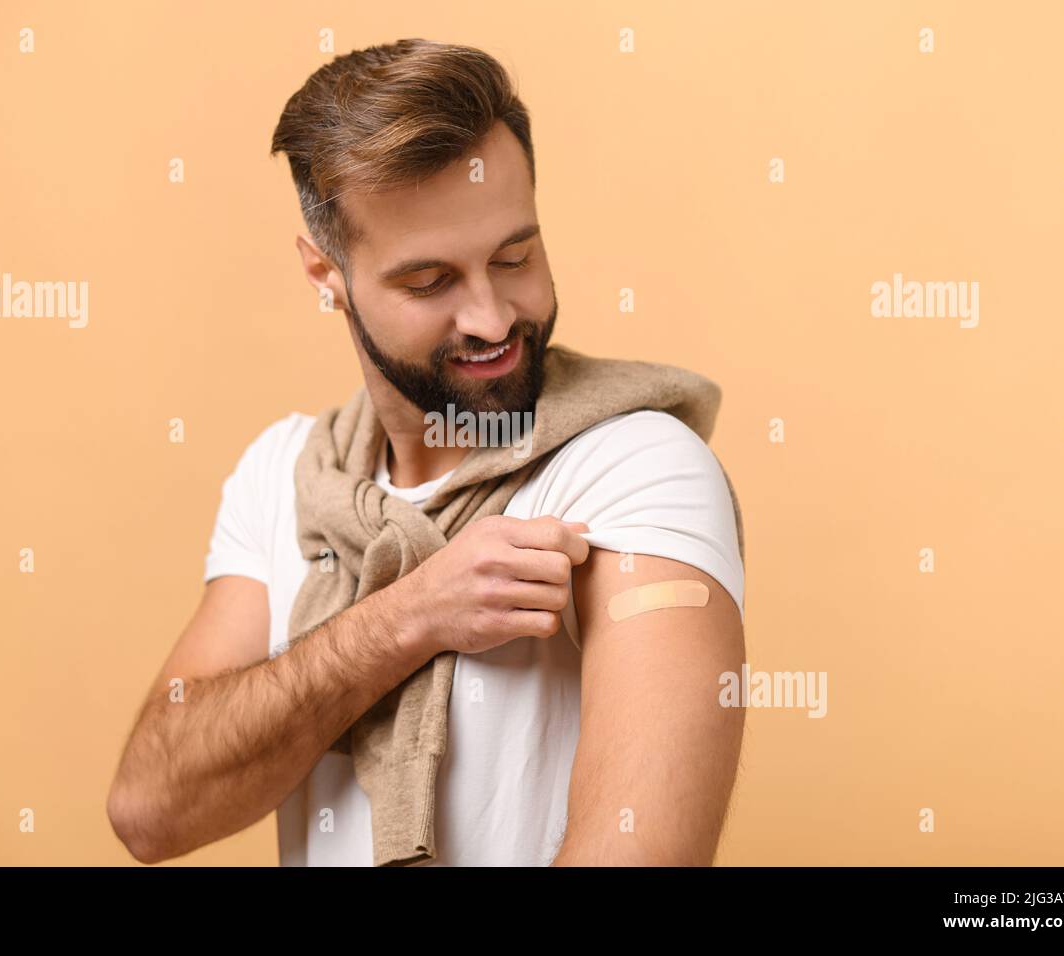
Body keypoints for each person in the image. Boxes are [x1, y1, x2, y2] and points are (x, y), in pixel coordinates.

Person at [107, 38, 746, 867]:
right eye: (429, 282)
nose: (490, 317)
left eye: (515, 257)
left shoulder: (633, 467)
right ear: (324, 273)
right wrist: (407, 617)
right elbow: (151, 810)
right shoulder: (290, 477)